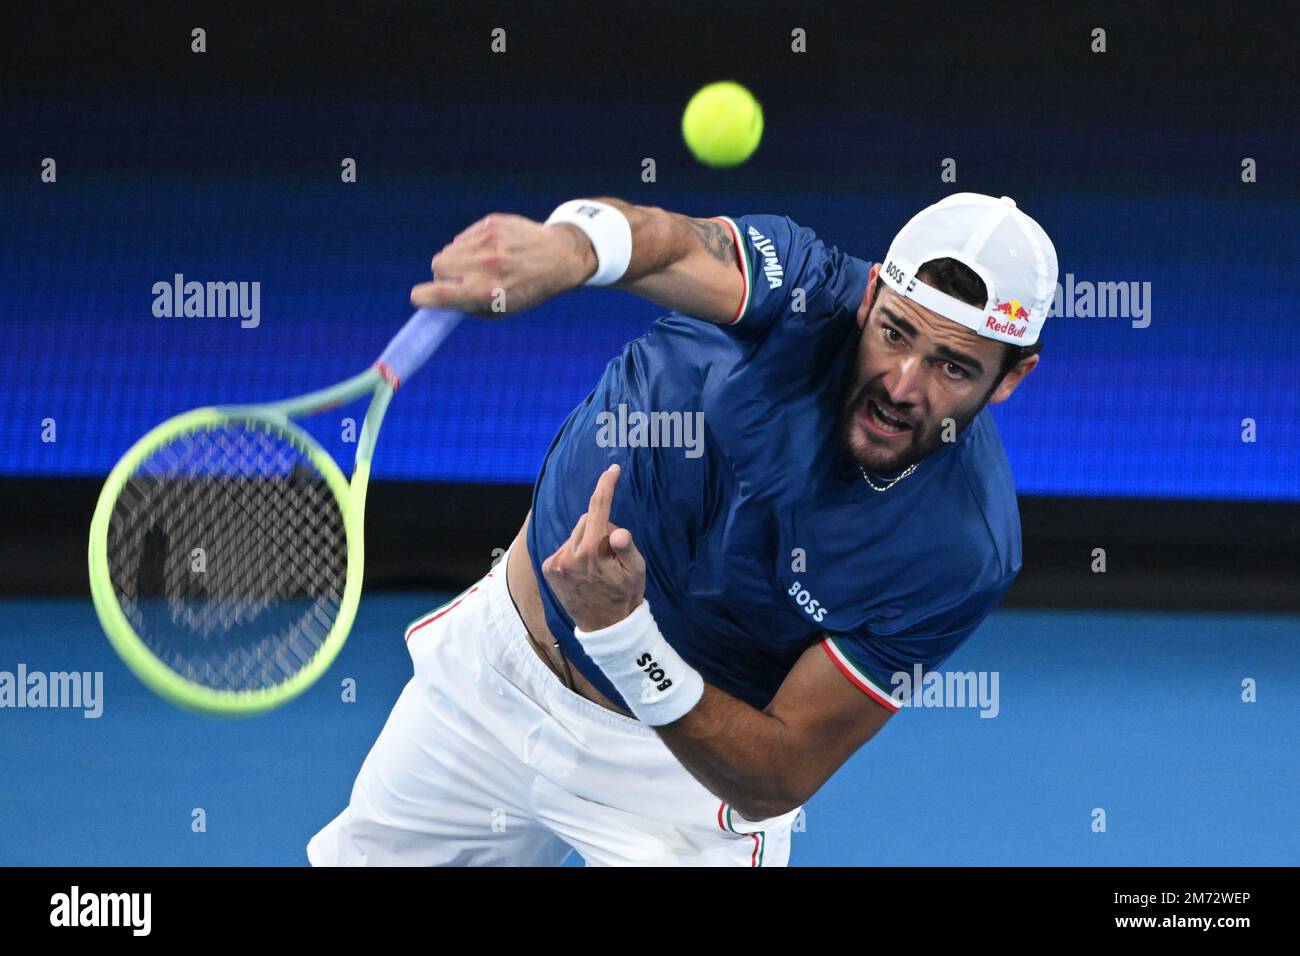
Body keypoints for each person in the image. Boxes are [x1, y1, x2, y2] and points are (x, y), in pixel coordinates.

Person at [307, 192, 1059, 866]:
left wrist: (623, 637)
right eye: (895, 334)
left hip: (675, 781)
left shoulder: (962, 549)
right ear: (869, 298)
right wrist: (573, 251)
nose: (903, 385)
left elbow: (778, 774)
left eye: (953, 368)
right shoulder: (802, 288)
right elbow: (665, 243)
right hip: (493, 679)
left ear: (1012, 377)